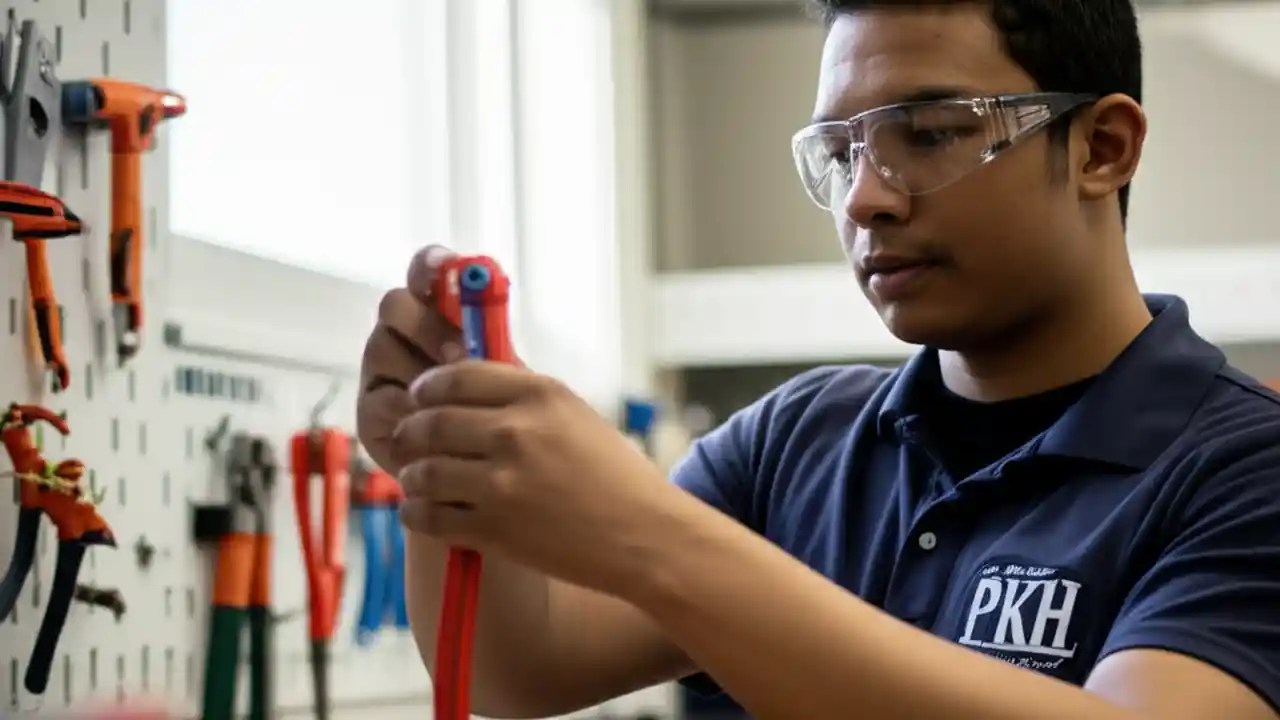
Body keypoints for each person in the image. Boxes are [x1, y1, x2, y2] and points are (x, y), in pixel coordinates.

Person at [357, 1, 1280, 718]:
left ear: (1102, 149)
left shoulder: (1244, 470)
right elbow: (518, 666)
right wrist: (446, 455)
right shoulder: (798, 442)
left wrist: (645, 532)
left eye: (928, 134)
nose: (868, 198)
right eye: (842, 151)